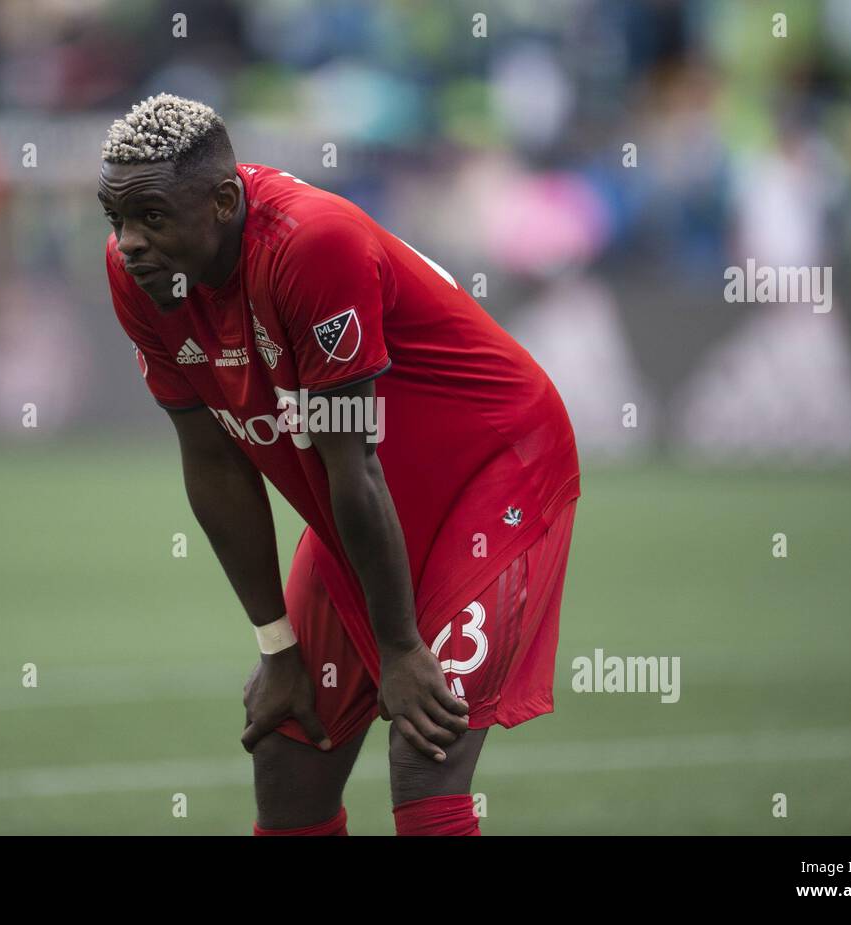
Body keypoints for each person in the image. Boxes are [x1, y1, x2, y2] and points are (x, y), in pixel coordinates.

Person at [101, 94, 579, 835]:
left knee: (425, 751)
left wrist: (399, 646)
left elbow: (354, 462)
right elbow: (216, 464)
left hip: (493, 470)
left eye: (152, 217)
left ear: (224, 201)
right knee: (288, 765)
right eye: (117, 219)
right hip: (364, 497)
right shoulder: (140, 274)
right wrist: (277, 645)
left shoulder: (311, 245)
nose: (129, 242)